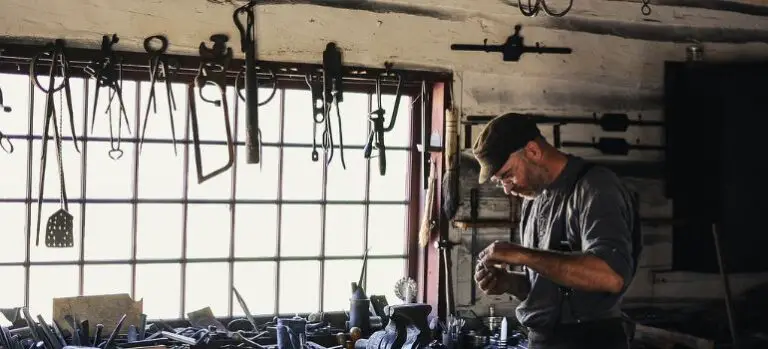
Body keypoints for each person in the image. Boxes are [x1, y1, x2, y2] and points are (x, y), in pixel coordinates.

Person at [471, 113, 639, 349]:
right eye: (501, 181)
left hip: (589, 340)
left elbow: (610, 276)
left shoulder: (595, 187)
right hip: (544, 339)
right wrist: (509, 283)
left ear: (532, 151)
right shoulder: (532, 200)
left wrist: (521, 254)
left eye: (508, 175)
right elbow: (550, 289)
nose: (507, 190)